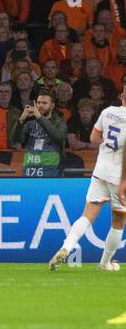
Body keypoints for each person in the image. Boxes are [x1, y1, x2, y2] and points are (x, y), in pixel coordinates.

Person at [49, 86, 126, 271]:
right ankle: (105, 263)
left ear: (122, 95)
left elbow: (93, 138)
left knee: (87, 214)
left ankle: (66, 247)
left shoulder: (107, 112)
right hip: (118, 176)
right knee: (118, 221)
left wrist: (109, 144)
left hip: (100, 170)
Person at [9, 88, 68, 177]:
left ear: (52, 106)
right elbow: (13, 141)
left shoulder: (59, 122)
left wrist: (40, 117)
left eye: (44, 103)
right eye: (38, 102)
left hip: (52, 174)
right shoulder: (30, 124)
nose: (40, 106)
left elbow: (58, 136)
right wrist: (21, 119)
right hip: (30, 172)